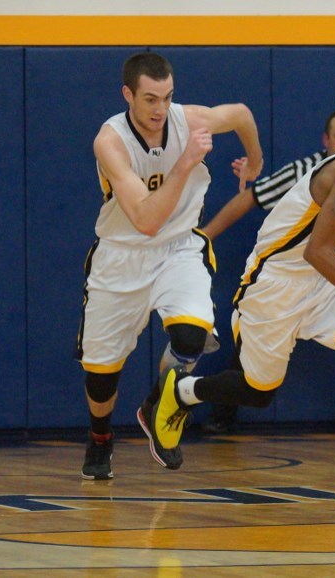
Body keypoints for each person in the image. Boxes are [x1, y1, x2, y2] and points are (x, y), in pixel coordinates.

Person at [141, 96, 335, 516]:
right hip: (279, 283)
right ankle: (179, 391)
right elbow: (317, 252)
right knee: (258, 391)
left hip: (331, 280)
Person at [77, 52, 263, 480]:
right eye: (149, 99)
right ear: (128, 95)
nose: (160, 110)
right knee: (102, 372)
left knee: (191, 336)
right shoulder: (111, 142)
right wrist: (184, 165)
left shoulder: (187, 119)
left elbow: (241, 114)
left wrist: (254, 158)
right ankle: (101, 437)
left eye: (167, 97)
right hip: (122, 254)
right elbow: (144, 220)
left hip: (179, 248)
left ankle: (159, 406)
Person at [200, 110, 335, 434]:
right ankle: (216, 407)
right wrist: (205, 234)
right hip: (291, 270)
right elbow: (252, 197)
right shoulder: (309, 171)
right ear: (326, 140)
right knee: (258, 383)